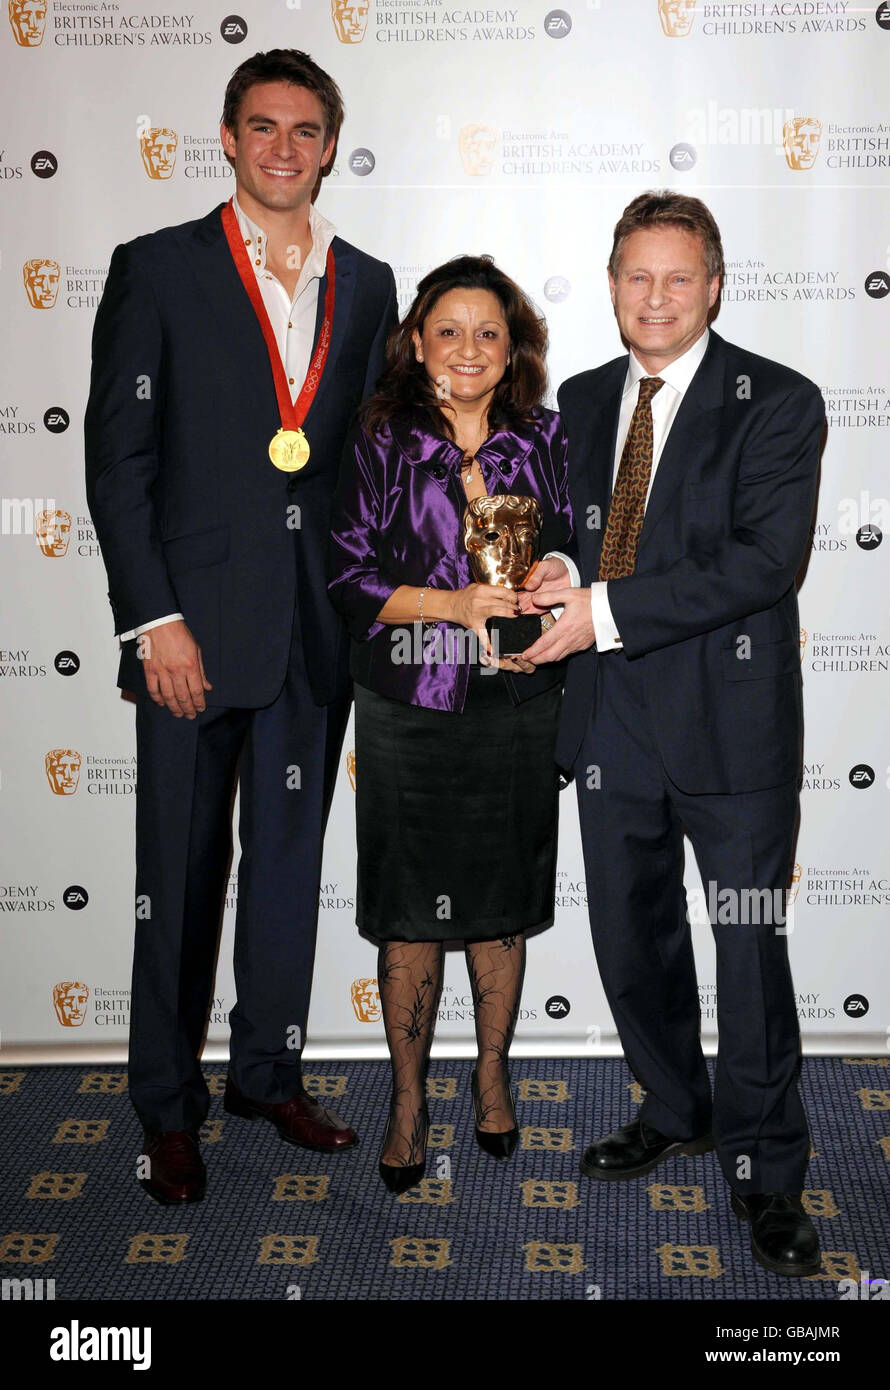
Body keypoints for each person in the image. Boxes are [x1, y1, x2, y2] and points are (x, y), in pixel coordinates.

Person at [84, 49, 397, 1204]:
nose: (282, 148)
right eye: (261, 127)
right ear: (225, 137)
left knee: (285, 872)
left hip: (312, 634)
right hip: (189, 640)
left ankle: (266, 1071)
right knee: (177, 878)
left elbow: (372, 458)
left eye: (305, 130)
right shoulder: (157, 269)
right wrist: (150, 620)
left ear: (329, 144)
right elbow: (118, 466)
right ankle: (164, 1107)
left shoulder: (367, 281)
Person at [521, 191, 825, 1277]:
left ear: (712, 284)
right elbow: (583, 534)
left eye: (676, 278)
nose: (654, 298)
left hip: (730, 735)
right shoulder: (583, 394)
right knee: (629, 939)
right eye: (634, 277)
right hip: (610, 722)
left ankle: (766, 1172)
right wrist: (557, 569)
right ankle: (674, 1105)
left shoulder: (775, 402)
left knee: (745, 957)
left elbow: (761, 563)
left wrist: (595, 610)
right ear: (609, 284)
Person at [328, 255, 574, 1193]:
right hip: (409, 707)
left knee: (499, 901)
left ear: (514, 349)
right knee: (408, 911)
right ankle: (405, 1097)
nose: (468, 348)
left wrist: (543, 610)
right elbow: (349, 582)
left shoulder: (548, 438)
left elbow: (576, 558)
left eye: (489, 333)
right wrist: (454, 605)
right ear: (416, 343)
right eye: (448, 330)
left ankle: (493, 1073)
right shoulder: (382, 438)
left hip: (516, 701)